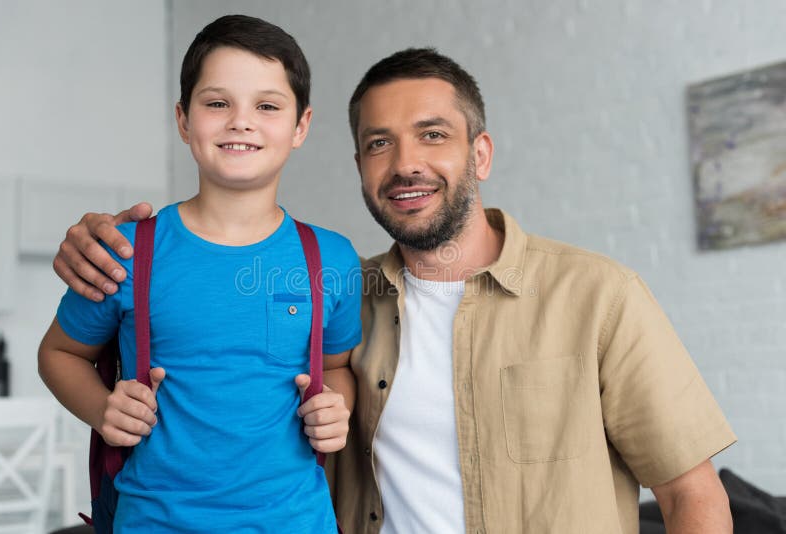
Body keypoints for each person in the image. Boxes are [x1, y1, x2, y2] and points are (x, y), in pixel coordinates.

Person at [53, 47, 736, 533]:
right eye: (379, 144)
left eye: (432, 136)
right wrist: (94, 240)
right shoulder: (346, 284)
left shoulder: (598, 296)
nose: (405, 162)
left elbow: (690, 495)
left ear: (480, 154)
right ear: (356, 165)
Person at [38, 15, 361, 533]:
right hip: (153, 520)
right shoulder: (126, 251)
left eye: (267, 106)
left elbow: (337, 365)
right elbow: (58, 353)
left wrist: (335, 407)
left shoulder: (333, 259)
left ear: (300, 126)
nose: (241, 121)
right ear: (184, 120)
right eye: (217, 103)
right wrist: (103, 409)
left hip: (297, 521)